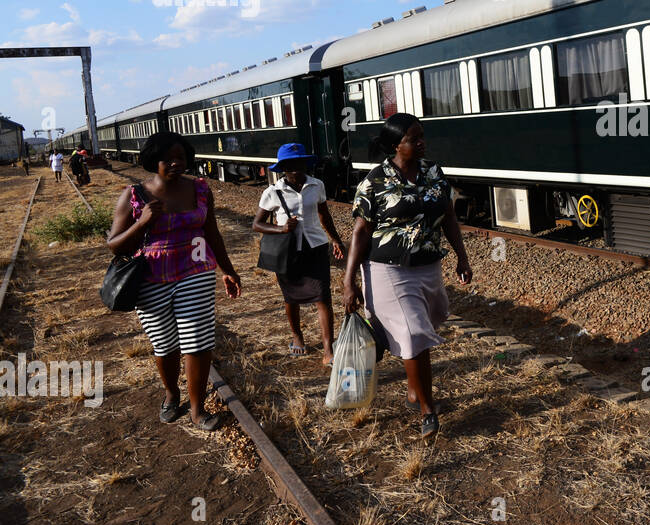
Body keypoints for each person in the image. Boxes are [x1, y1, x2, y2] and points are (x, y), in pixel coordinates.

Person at [342, 113, 472, 439]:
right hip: (387, 270)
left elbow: (449, 217)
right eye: (414, 139)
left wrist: (461, 256)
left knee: (417, 329)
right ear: (394, 146)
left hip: (427, 268)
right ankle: (428, 410)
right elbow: (360, 233)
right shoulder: (374, 181)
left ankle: (414, 391)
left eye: (422, 136)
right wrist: (349, 281)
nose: (421, 143)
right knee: (413, 331)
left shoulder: (433, 171)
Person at [106, 130, 242, 430]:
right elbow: (115, 245)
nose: (176, 163)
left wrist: (227, 269)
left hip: (196, 273)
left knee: (197, 341)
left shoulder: (201, 189)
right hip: (152, 279)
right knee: (165, 345)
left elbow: (212, 233)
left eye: (181, 158)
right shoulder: (134, 195)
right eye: (168, 158)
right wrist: (142, 222)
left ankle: (197, 409)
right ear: (154, 161)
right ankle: (171, 393)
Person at [253, 143, 345, 365]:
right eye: (290, 165)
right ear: (282, 168)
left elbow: (325, 215)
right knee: (291, 298)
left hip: (316, 247)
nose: (295, 169)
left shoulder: (317, 185)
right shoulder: (272, 192)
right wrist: (281, 228)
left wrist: (336, 239)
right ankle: (297, 336)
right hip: (288, 252)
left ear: (306, 163)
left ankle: (328, 350)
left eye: (299, 163)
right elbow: (257, 224)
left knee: (323, 297)